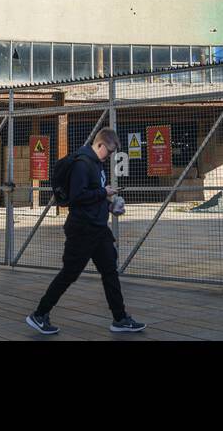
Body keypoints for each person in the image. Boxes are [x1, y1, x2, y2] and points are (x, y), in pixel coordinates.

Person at [26, 128, 145, 335]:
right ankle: (39, 314)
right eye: (108, 151)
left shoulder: (97, 164)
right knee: (69, 274)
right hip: (82, 229)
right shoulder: (82, 164)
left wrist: (110, 205)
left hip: (98, 229)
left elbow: (92, 196)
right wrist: (103, 192)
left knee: (110, 272)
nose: (109, 157)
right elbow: (76, 197)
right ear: (99, 145)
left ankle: (120, 318)